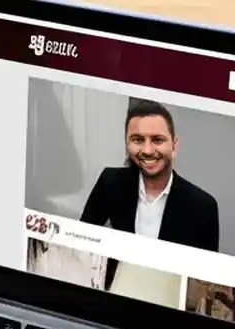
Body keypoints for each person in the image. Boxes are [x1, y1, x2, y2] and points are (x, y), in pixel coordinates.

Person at [80, 100, 220, 291]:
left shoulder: (204, 207)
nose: (147, 150)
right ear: (127, 144)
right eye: (137, 140)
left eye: (157, 140)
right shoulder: (110, 182)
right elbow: (79, 242)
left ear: (174, 146)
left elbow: (205, 282)